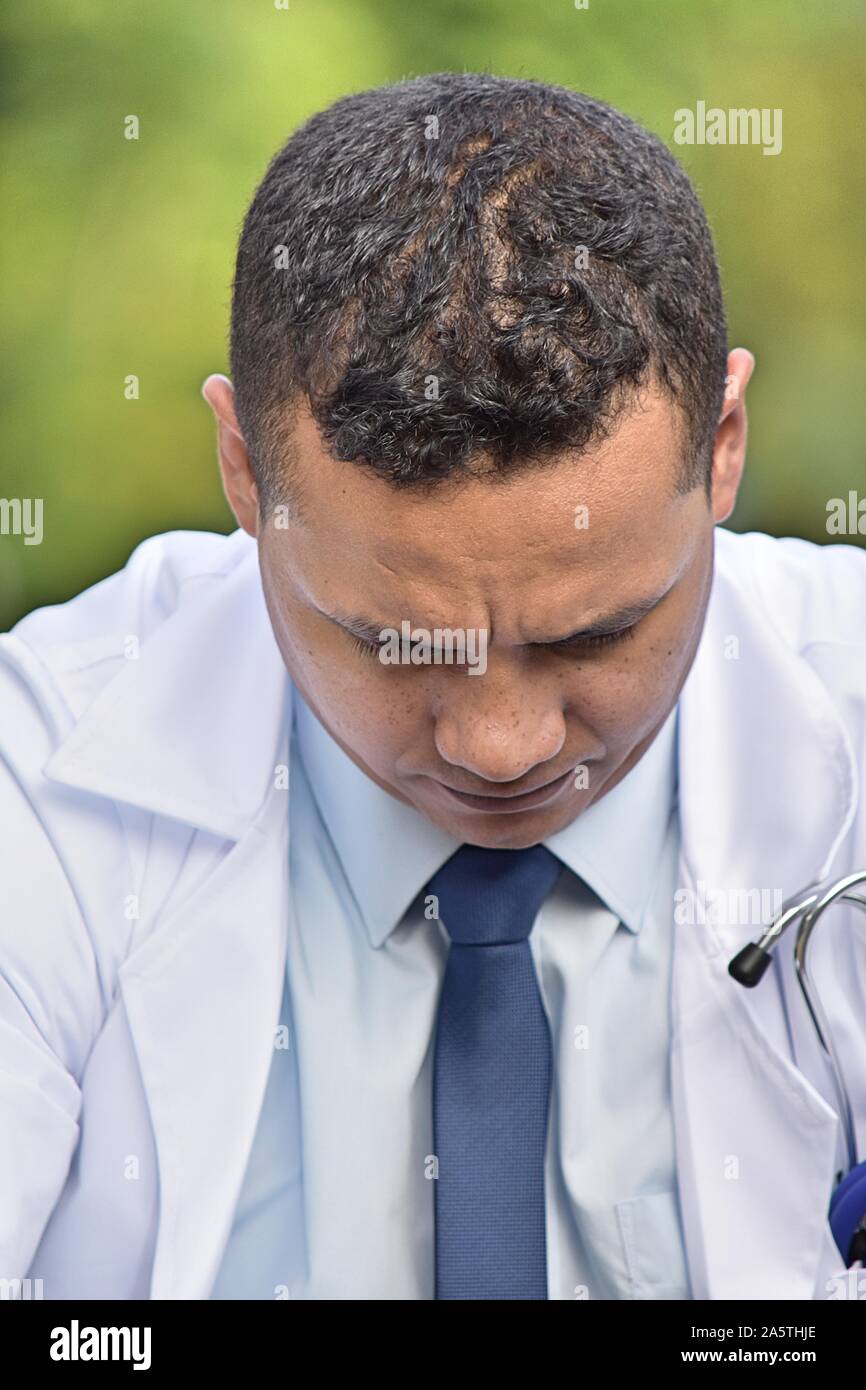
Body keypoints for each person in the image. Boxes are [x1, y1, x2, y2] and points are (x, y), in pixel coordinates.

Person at [1, 72, 864, 1302]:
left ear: (721, 446)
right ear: (244, 471)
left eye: (594, 633)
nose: (500, 745)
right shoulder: (34, 784)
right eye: (395, 643)